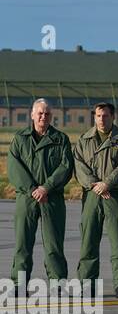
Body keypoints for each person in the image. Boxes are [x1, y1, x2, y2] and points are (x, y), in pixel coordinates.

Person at [8, 99, 74, 293]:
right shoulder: (20, 138)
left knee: (54, 244)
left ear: (51, 116)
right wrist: (32, 190)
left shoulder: (60, 139)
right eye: (40, 113)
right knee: (22, 244)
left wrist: (46, 188)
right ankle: (19, 284)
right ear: (32, 115)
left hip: (51, 198)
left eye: (47, 114)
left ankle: (57, 284)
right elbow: (14, 168)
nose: (43, 117)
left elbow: (65, 167)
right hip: (26, 199)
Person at [73, 102, 118, 298]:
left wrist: (107, 183)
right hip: (91, 195)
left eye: (105, 115)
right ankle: (87, 283)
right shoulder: (84, 139)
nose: (101, 119)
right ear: (94, 116)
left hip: (114, 195)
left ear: (113, 117)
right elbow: (79, 166)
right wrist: (94, 185)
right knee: (89, 241)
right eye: (98, 116)